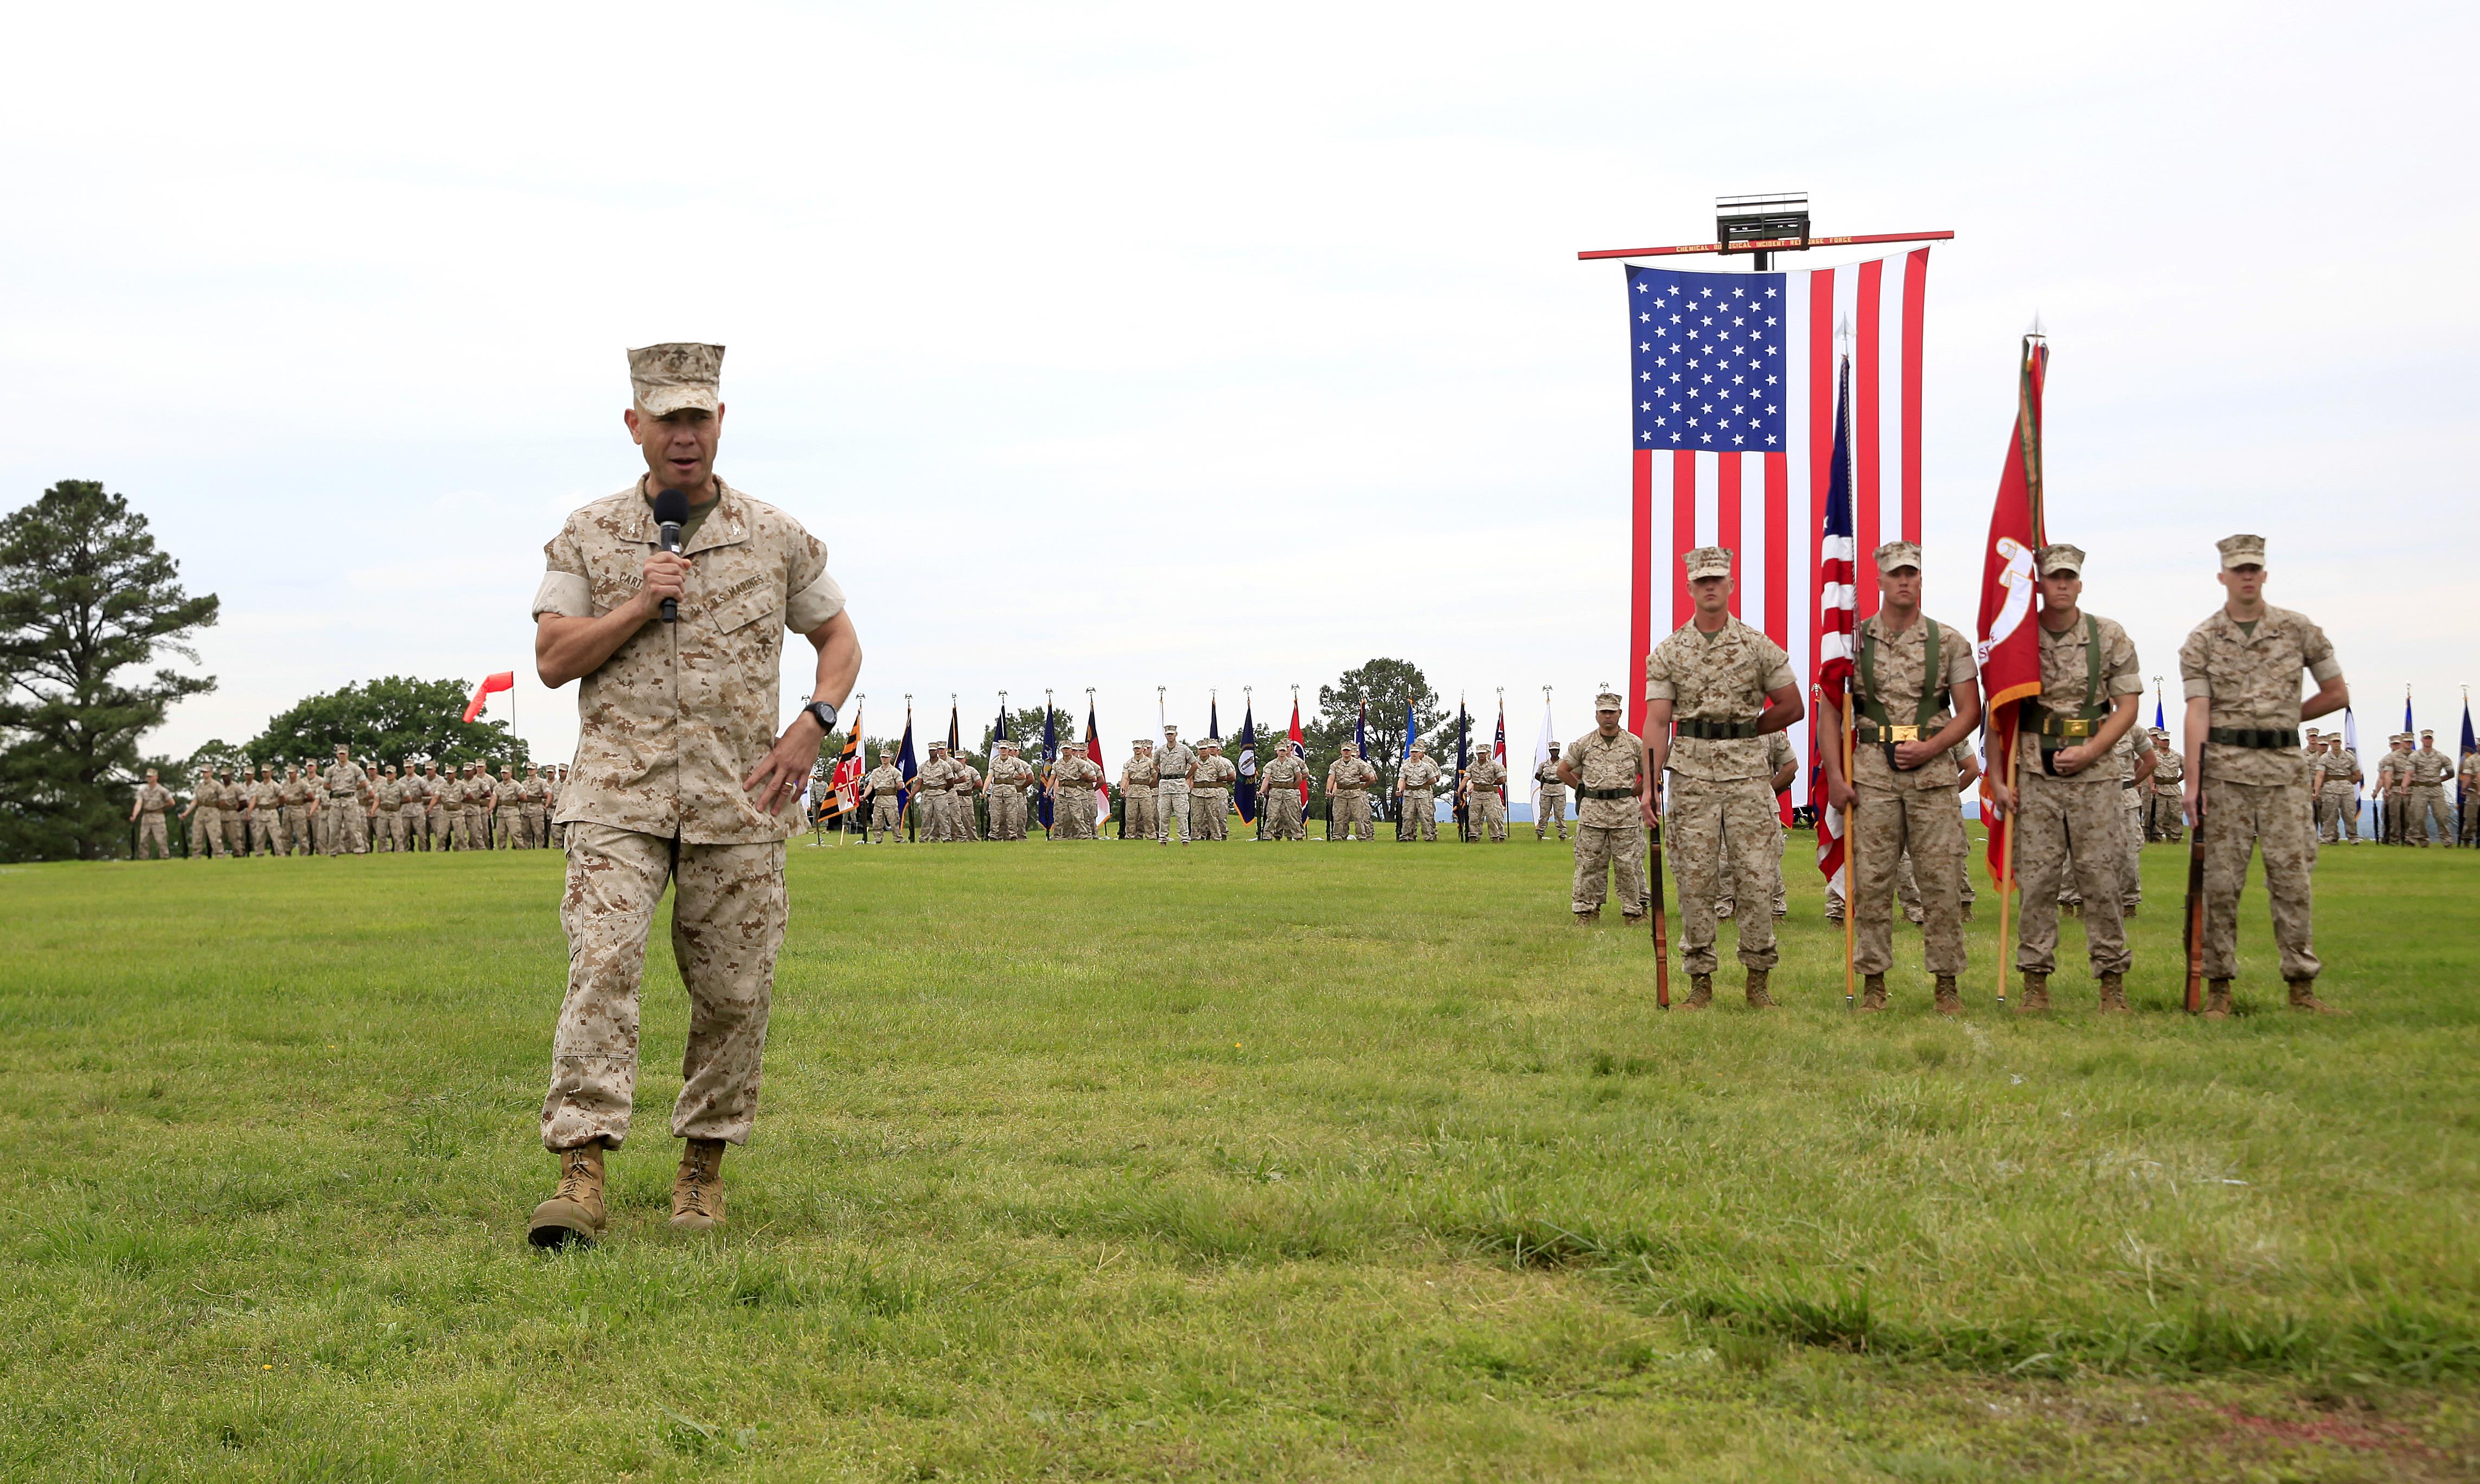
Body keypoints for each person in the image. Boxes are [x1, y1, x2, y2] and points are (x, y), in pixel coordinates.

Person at [526, 340, 859, 1247]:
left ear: (720, 423)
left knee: (733, 992)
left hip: (738, 798)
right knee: (601, 964)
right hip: (618, 798)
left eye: (697, 417)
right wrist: (637, 603)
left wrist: (813, 722)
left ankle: (702, 1169)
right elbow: (553, 660)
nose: (683, 434)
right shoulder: (587, 535)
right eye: (666, 418)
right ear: (634, 426)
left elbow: (840, 640)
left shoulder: (776, 536)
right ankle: (581, 1173)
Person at [2180, 534, 2346, 1018]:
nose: (2247, 576)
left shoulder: (2299, 630)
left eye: (2254, 568)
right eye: (2238, 569)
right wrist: (2193, 783)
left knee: (2292, 881)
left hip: (2285, 775)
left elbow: (2337, 693)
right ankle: (2218, 991)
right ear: (2223, 577)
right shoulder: (2203, 639)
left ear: (2265, 574)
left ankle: (2301, 989)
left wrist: (2287, 717)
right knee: (2221, 885)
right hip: (2226, 776)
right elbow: (2197, 712)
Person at [1814, 541, 1982, 1013]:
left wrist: (1932, 747)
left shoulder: (1950, 642)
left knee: (1941, 881)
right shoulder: (1851, 644)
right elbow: (1829, 714)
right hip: (1871, 778)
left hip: (1932, 775)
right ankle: (1873, 985)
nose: (1904, 581)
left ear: (1921, 579)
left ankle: (1946, 985)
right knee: (1871, 883)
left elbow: (1971, 711)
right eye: (1895, 574)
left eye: (1911, 573)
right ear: (1880, 581)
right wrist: (1836, 775)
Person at [1643, 547, 1805, 1008]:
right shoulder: (1670, 652)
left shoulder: (1758, 646)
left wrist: (1749, 729)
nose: (1711, 586)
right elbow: (1657, 721)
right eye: (1702, 581)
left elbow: (1791, 705)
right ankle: (1700, 983)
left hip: (1748, 776)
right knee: (1695, 881)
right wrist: (1651, 787)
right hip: (1691, 776)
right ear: (1690, 588)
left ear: (1731, 585)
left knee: (1756, 877)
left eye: (1718, 579)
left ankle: (1758, 980)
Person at [1991, 545, 2143, 1013]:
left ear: (2079, 583)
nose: (2061, 585)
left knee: (2101, 879)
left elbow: (2128, 707)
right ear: (2040, 582)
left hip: (2095, 775)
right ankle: (2035, 984)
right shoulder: (2018, 636)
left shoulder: (2108, 635)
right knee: (2037, 883)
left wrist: (2093, 751)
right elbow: (1997, 711)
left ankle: (2111, 984)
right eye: (2053, 577)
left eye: (2068, 578)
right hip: (2034, 774)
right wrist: (1998, 780)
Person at [1558, 692, 1651, 925]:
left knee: (1628, 864)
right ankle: (1586, 912)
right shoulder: (1584, 744)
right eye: (1604, 712)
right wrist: (1582, 789)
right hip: (1593, 814)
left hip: (1625, 814)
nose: (1608, 716)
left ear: (1620, 713)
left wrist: (1634, 792)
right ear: (1597, 715)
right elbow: (1562, 770)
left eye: (1612, 712)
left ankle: (1634, 912)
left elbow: (1651, 773)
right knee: (1588, 864)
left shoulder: (1634, 743)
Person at [1716, 731, 1797, 922]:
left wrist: (1766, 790)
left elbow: (1791, 766)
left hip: (1761, 807)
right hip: (1725, 805)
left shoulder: (1771, 731)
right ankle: (1724, 911)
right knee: (1724, 859)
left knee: (1768, 858)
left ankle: (1775, 911)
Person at [1050, 733, 1104, 839]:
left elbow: (1098, 780)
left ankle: (1092, 835)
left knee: (1087, 816)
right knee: (1067, 816)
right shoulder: (1061, 764)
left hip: (1085, 792)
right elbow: (1057, 780)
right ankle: (1069, 836)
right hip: (1069, 792)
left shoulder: (1089, 765)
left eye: (1082, 751)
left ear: (1087, 751)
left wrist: (1092, 789)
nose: (1079, 753)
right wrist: (1054, 792)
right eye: (1077, 751)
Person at [2406, 729, 2453, 848]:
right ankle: (2413, 839)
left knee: (2442, 816)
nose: (2428, 740)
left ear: (2432, 740)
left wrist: (2439, 780)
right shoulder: (2415, 756)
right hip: (2420, 788)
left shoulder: (2440, 756)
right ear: (2422, 740)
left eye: (2429, 738)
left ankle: (2447, 841)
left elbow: (2451, 773)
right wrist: (2404, 786)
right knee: (2417, 816)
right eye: (2426, 738)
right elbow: (2409, 773)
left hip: (2436, 789)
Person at [321, 745, 369, 856]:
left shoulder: (355, 768)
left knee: (355, 827)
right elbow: (325, 785)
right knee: (334, 829)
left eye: (344, 754)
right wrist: (336, 789)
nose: (342, 756)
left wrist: (352, 789)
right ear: (337, 755)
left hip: (350, 800)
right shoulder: (332, 770)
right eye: (340, 754)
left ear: (348, 754)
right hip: (336, 801)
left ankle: (359, 851)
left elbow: (364, 783)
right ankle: (333, 853)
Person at [1154, 724, 1197, 845]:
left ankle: (1185, 841)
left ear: (1176, 734)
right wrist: (1161, 773)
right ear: (1165, 735)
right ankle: (1163, 841)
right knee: (1163, 815)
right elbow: (1154, 764)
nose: (1170, 736)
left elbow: (1195, 765)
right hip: (1165, 786)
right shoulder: (1160, 751)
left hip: (1179, 786)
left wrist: (1186, 777)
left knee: (1182, 815)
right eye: (1168, 734)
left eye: (1172, 734)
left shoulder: (1184, 749)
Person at [1326, 742, 1378, 841]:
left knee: (1359, 817)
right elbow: (1331, 779)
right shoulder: (1335, 765)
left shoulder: (1359, 764)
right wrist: (1329, 791)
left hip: (1355, 794)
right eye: (1344, 750)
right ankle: (1337, 836)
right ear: (1341, 751)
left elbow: (1369, 777)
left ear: (1352, 752)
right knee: (1338, 816)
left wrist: (1357, 782)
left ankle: (1362, 837)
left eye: (1348, 751)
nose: (1346, 752)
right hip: (1341, 793)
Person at [987, 739, 1036, 840]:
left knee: (1019, 818)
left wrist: (1020, 788)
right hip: (1001, 792)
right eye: (1010, 751)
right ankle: (1001, 838)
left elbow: (1030, 778)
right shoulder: (996, 762)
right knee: (1001, 817)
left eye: (1015, 750)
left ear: (1018, 752)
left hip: (1017, 793)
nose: (1012, 753)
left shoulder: (1021, 764)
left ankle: (1019, 838)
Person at [1258, 743, 1308, 840]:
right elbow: (1266, 779)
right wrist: (1261, 791)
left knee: (1293, 815)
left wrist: (1293, 787)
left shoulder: (1293, 763)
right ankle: (1267, 837)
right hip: (1275, 792)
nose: (1282, 752)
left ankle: (1298, 836)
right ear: (1276, 751)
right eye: (1280, 750)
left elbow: (1299, 777)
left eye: (1284, 750)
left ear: (1287, 751)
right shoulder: (1271, 765)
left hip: (1290, 792)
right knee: (1272, 815)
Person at [1190, 737, 1236, 840]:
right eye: (1201, 749)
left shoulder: (1218, 762)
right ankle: (1196, 837)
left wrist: (1213, 782)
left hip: (1213, 792)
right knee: (1197, 817)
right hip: (1197, 793)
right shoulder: (1194, 762)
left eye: (1205, 749)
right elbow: (1189, 776)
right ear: (1198, 750)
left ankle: (1217, 837)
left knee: (1214, 817)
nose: (1204, 751)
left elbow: (1225, 776)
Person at [1397, 740, 1442, 842]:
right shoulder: (1406, 765)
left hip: (1423, 794)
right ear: (1410, 752)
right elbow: (1402, 779)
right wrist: (1399, 790)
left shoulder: (1428, 764)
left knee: (1426, 816)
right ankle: (1407, 836)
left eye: (1417, 752)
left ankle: (1429, 836)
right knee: (1408, 816)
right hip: (1410, 794)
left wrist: (1424, 784)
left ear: (1421, 752)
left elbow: (1435, 778)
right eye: (1413, 752)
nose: (1415, 754)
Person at [1462, 746, 1509, 841]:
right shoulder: (1474, 766)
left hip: (1492, 794)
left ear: (1489, 753)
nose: (1483, 755)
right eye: (1480, 753)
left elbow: (1502, 780)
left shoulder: (1496, 765)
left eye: (1485, 753)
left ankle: (1499, 836)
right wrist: (1467, 790)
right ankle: (1474, 837)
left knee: (1495, 817)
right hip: (1477, 794)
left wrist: (1489, 784)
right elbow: (1472, 780)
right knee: (1475, 817)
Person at [861, 749, 906, 842]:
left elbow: (900, 784)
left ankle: (898, 839)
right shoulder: (875, 772)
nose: (884, 759)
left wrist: (899, 786)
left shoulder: (895, 771)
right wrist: (864, 796)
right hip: (878, 799)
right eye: (883, 757)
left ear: (890, 758)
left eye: (886, 757)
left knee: (894, 821)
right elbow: (871, 785)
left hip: (890, 799)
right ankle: (878, 839)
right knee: (877, 821)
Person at [2151, 727, 2187, 843]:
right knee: (2159, 816)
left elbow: (2186, 770)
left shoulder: (2177, 756)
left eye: (2167, 740)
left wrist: (2177, 780)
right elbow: (2149, 772)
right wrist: (2152, 787)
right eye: (2163, 740)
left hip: (2174, 789)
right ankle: (2158, 839)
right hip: (2159, 789)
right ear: (2158, 741)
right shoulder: (2154, 755)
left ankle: (2175, 839)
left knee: (2176, 815)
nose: (2165, 742)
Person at [130, 767, 175, 859]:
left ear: (156, 777)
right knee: (143, 840)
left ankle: (165, 857)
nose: (149, 778)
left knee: (161, 839)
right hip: (146, 816)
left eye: (151, 776)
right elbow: (139, 803)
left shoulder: (163, 790)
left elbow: (172, 802)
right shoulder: (143, 790)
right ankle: (143, 858)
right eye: (148, 777)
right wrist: (135, 814)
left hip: (158, 817)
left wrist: (161, 806)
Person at [181, 766, 225, 859]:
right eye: (203, 772)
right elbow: (195, 801)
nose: (204, 774)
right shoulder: (200, 786)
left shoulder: (217, 785)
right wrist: (186, 813)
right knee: (197, 836)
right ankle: (196, 856)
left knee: (215, 836)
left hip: (212, 811)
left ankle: (219, 855)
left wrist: (218, 810)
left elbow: (223, 800)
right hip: (200, 811)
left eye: (206, 772)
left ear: (211, 773)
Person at [1120, 741, 1158, 841]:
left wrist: (1149, 786)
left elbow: (1155, 777)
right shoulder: (1128, 763)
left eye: (1139, 748)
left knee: (1148, 816)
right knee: (1131, 817)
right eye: (1136, 748)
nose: (1137, 750)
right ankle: (1130, 836)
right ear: (1133, 749)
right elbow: (1125, 777)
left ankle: (1151, 836)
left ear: (1143, 749)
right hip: (1132, 792)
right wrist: (1123, 788)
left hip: (1145, 792)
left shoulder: (1149, 762)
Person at [1533, 743, 1568, 841]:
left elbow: (1570, 775)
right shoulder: (1544, 764)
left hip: (1559, 792)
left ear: (1559, 751)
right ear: (1550, 751)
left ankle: (1562, 836)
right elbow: (1537, 775)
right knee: (1543, 815)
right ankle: (1540, 835)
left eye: (1556, 750)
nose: (1554, 752)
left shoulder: (1564, 763)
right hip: (1546, 792)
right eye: (1552, 750)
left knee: (1560, 815)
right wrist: (1545, 781)